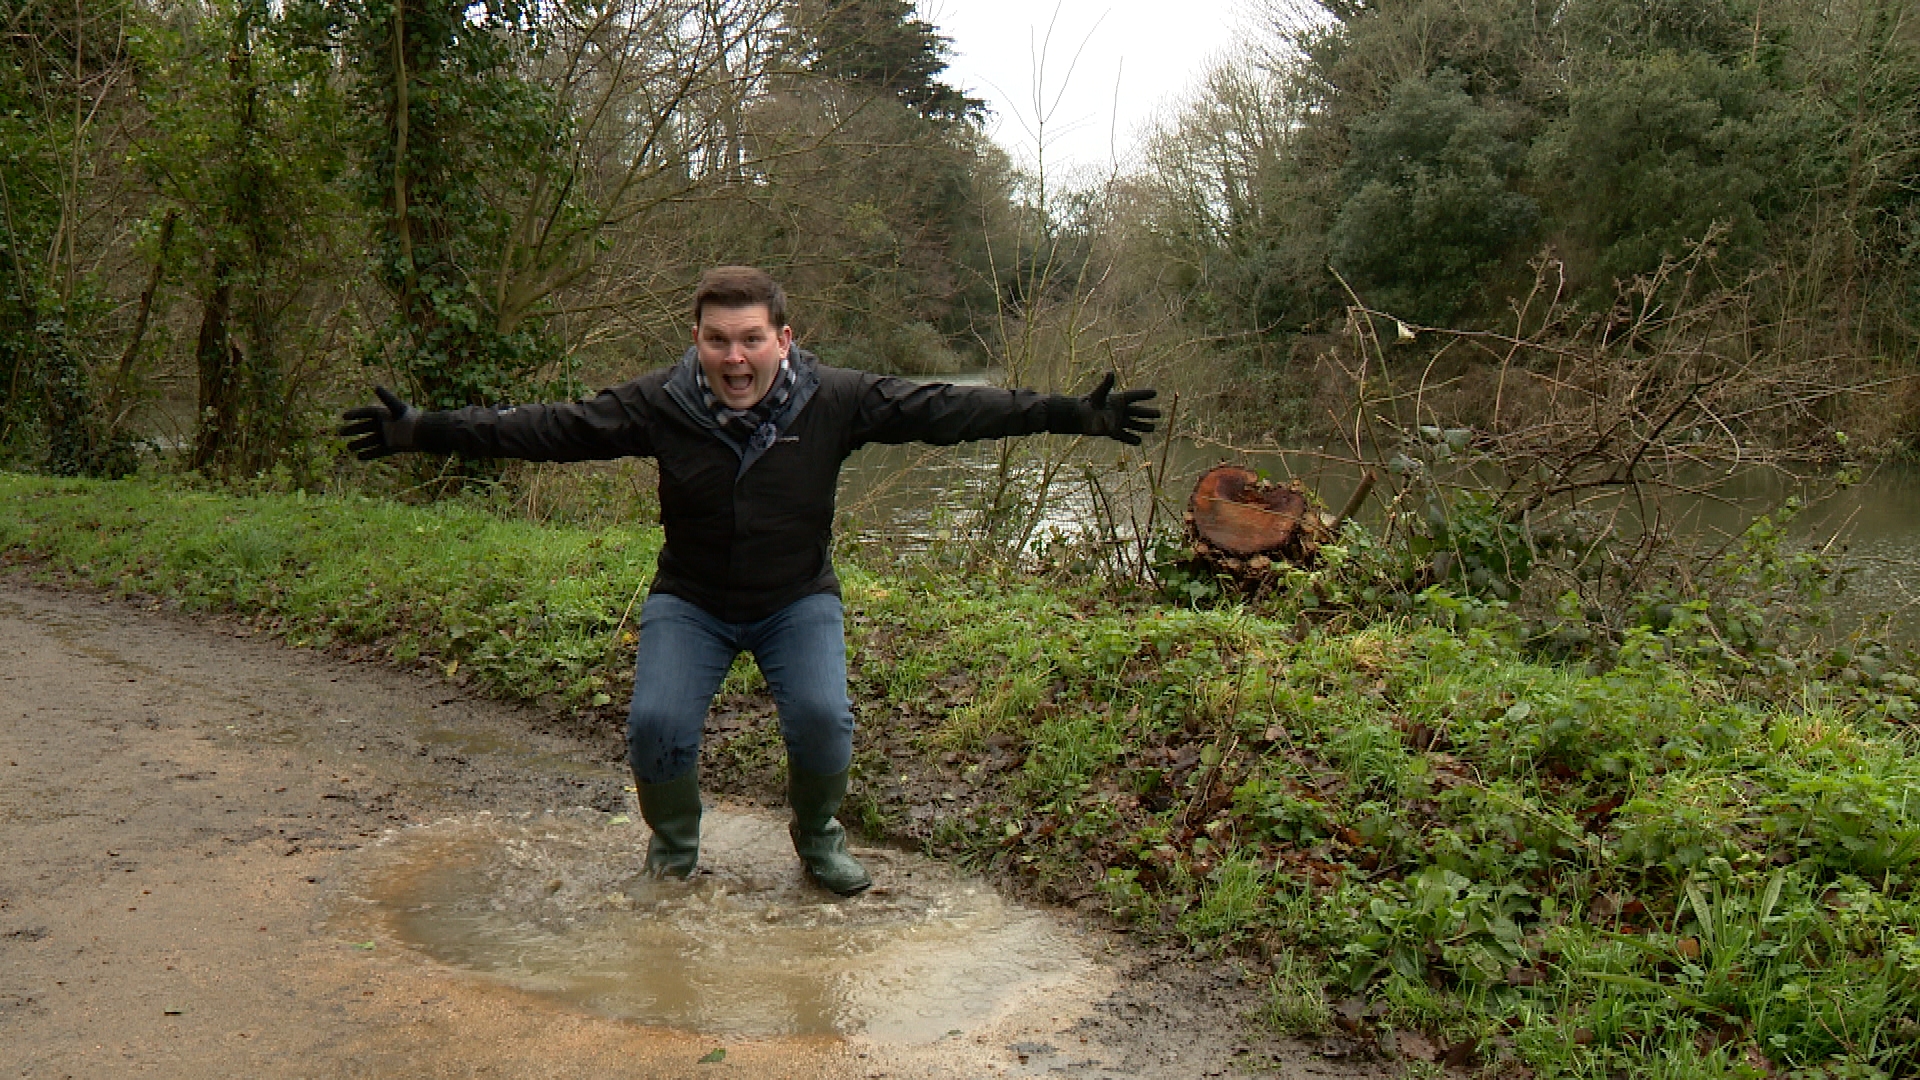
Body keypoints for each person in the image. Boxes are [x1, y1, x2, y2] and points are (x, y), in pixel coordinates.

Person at [339, 266, 1157, 895]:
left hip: (795, 599)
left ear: (784, 338)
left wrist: (1065, 412)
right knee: (656, 723)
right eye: (717, 340)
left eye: (751, 340)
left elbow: (946, 410)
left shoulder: (839, 398)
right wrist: (423, 431)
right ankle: (674, 847)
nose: (735, 358)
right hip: (690, 601)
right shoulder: (658, 403)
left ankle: (820, 834)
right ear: (696, 339)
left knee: (822, 720)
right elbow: (546, 429)